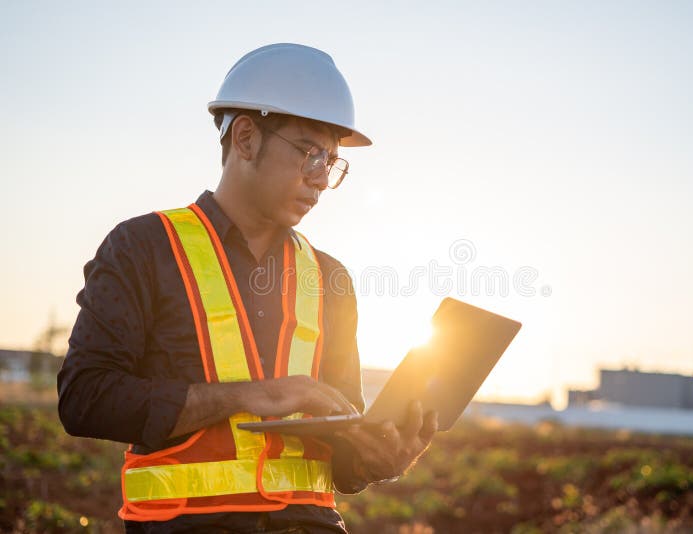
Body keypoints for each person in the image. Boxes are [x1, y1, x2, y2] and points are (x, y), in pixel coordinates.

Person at [57, 43, 437, 533]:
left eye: (333, 163)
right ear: (245, 137)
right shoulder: (143, 248)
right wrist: (252, 396)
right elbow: (85, 398)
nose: (321, 179)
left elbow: (340, 455)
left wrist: (379, 459)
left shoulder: (331, 279)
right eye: (310, 152)